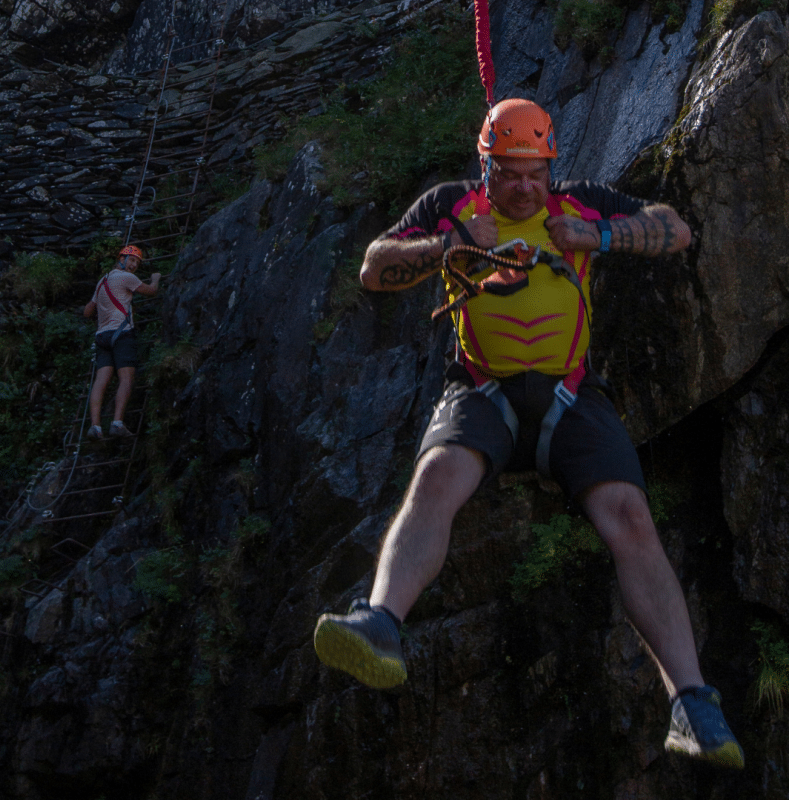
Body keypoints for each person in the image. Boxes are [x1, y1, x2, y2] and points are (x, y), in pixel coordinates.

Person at [313, 99, 744, 769]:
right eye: (509, 174)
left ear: (550, 167)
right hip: (481, 390)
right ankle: (380, 622)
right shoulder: (453, 207)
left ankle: (691, 702)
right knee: (436, 477)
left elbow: (675, 228)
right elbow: (374, 266)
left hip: (571, 394)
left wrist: (595, 238)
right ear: (487, 169)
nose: (524, 187)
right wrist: (451, 247)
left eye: (534, 172)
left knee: (631, 517)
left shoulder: (580, 204)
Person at [82, 245, 160, 439]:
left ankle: (95, 426)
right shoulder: (127, 278)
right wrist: (156, 279)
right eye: (131, 260)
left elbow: (87, 312)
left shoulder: (102, 281)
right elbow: (150, 291)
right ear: (121, 259)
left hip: (102, 336)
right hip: (122, 334)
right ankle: (117, 423)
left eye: (136, 262)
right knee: (126, 377)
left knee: (101, 380)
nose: (134, 265)